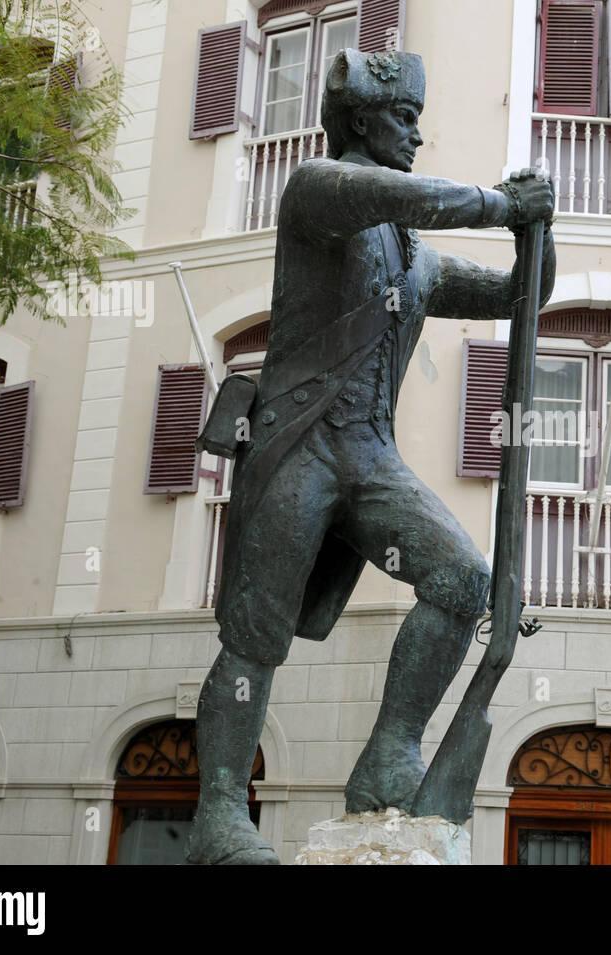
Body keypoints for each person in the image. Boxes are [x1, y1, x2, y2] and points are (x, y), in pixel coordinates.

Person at [184, 48, 555, 864]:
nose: (417, 134)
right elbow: (402, 193)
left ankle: (390, 750)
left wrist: (540, 230)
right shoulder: (321, 189)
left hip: (368, 456)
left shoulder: (416, 258)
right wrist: (501, 204)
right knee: (256, 636)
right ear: (361, 120)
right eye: (404, 118)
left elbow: (516, 295)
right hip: (298, 447)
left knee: (463, 580)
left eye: (419, 120)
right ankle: (218, 811)